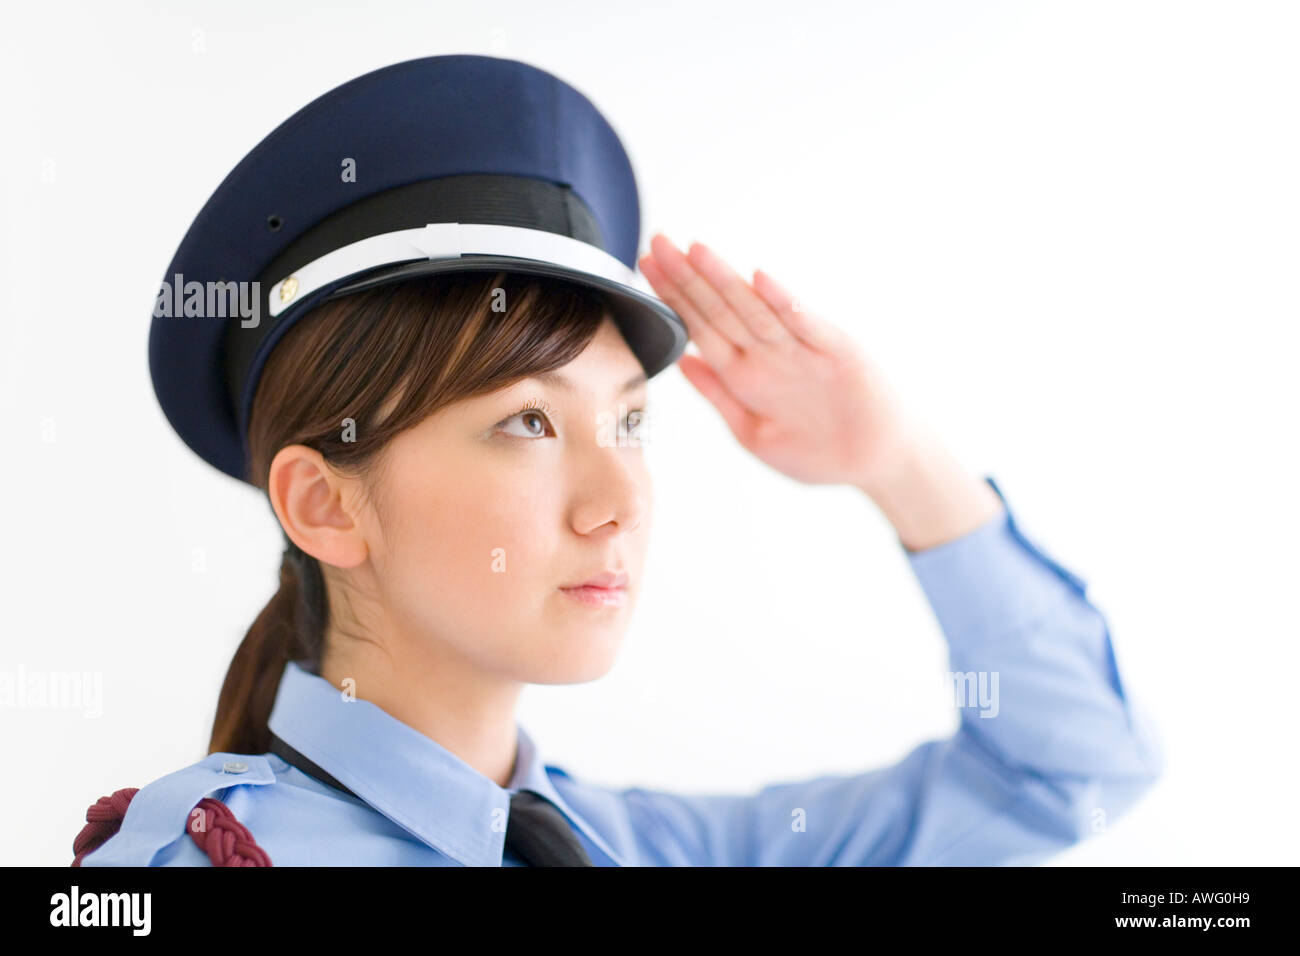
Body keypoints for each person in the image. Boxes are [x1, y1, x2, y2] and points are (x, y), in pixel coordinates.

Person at [72, 54, 1162, 867]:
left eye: (632, 423)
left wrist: (901, 464)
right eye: (528, 423)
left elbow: (1070, 776)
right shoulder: (190, 861)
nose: (618, 501)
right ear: (324, 502)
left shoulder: (650, 847)